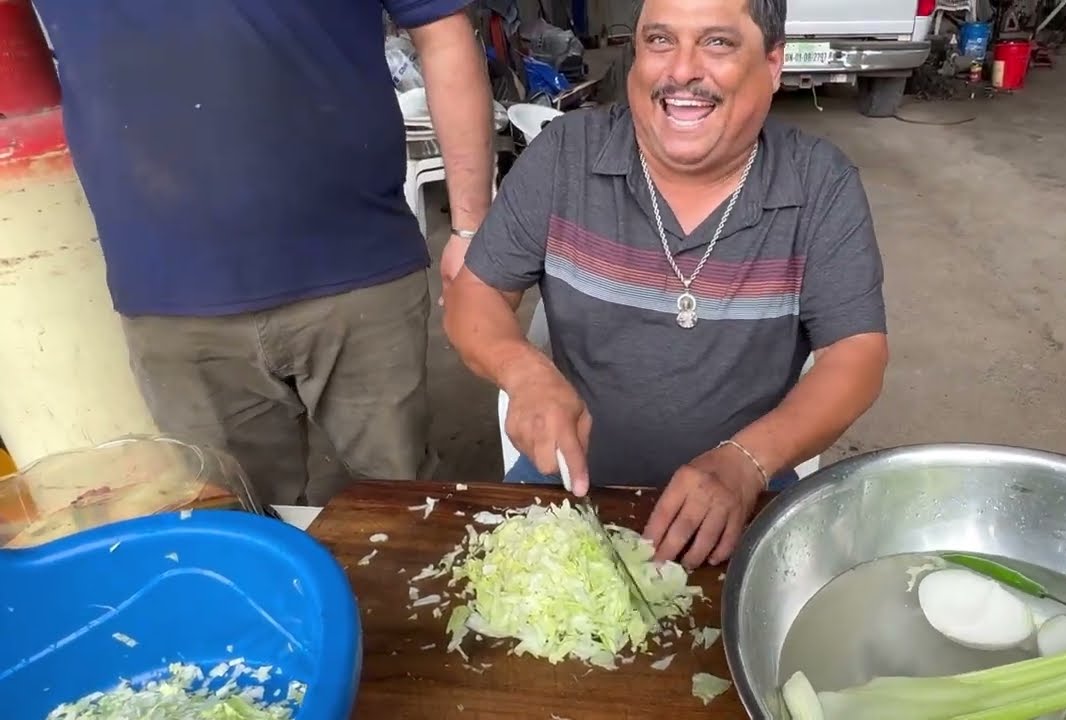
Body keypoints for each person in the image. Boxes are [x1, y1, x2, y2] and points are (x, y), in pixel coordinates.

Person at [444, 0, 890, 568]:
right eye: (659, 41)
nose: (681, 71)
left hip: (741, 495)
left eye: (718, 43)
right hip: (567, 487)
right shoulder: (564, 157)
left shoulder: (820, 184)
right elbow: (473, 297)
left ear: (773, 63)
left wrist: (746, 462)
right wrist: (524, 371)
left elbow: (857, 355)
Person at [31, 0, 495, 506]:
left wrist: (472, 230)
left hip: (356, 271)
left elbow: (441, 30)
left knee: (408, 501)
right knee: (235, 525)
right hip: (172, 298)